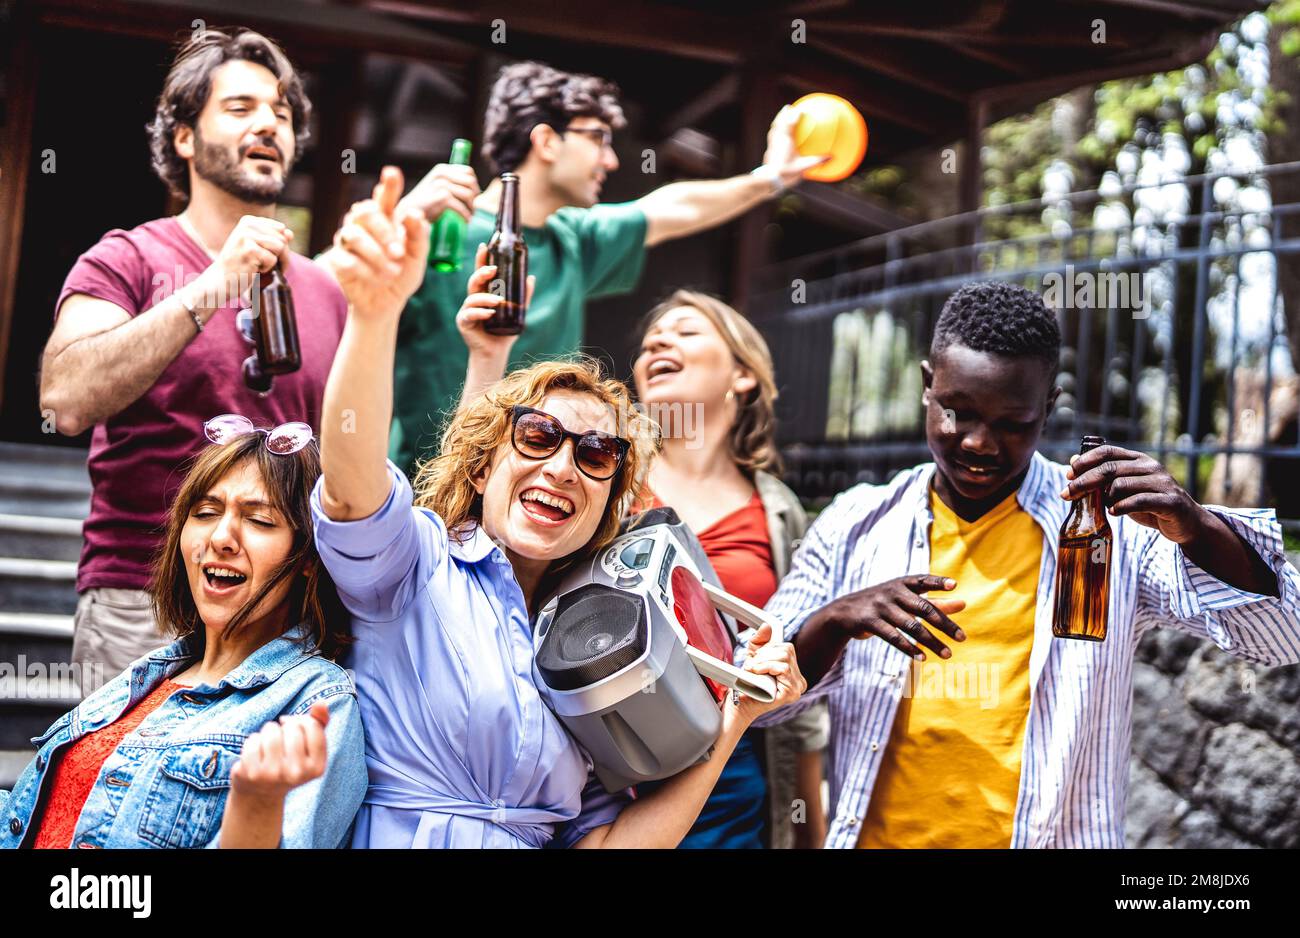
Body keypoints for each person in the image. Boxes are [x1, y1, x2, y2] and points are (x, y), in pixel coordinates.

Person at [313, 167, 805, 848]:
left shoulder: (591, 640)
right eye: (538, 437)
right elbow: (349, 479)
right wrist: (375, 316)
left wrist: (736, 723)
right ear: (486, 465)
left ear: (609, 503)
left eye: (596, 453)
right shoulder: (417, 565)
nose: (561, 466)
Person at [752, 280, 1300, 849]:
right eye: (957, 412)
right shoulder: (855, 524)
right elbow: (755, 697)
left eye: (1012, 423)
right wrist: (837, 619)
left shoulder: (1106, 532)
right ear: (926, 386)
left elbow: (1285, 637)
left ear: (1048, 408)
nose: (979, 443)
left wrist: (1198, 527)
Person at [456, 282, 829, 848]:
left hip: (739, 778)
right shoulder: (595, 487)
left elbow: (790, 676)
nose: (658, 343)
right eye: (651, 340)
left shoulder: (779, 509)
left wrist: (809, 836)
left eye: (684, 332)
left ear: (743, 375)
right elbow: (483, 482)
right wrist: (486, 358)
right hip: (618, 776)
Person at [38, 28, 348, 694]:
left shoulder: (325, 290)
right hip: (144, 602)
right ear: (184, 137)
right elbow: (64, 398)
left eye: (282, 113)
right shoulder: (127, 258)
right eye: (240, 108)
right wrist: (210, 287)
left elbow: (341, 458)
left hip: (284, 616)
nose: (269, 123)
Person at [354, 60, 826, 475]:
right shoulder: (434, 231)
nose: (612, 158)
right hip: (428, 499)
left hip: (539, 496)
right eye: (598, 138)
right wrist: (401, 220)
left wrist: (771, 179)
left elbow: (673, 207)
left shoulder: (574, 237)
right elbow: (331, 295)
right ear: (546, 141)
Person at [0, 421, 367, 848]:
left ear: (307, 557)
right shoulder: (148, 676)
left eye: (259, 520)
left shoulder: (318, 704)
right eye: (206, 513)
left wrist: (254, 807)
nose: (220, 537)